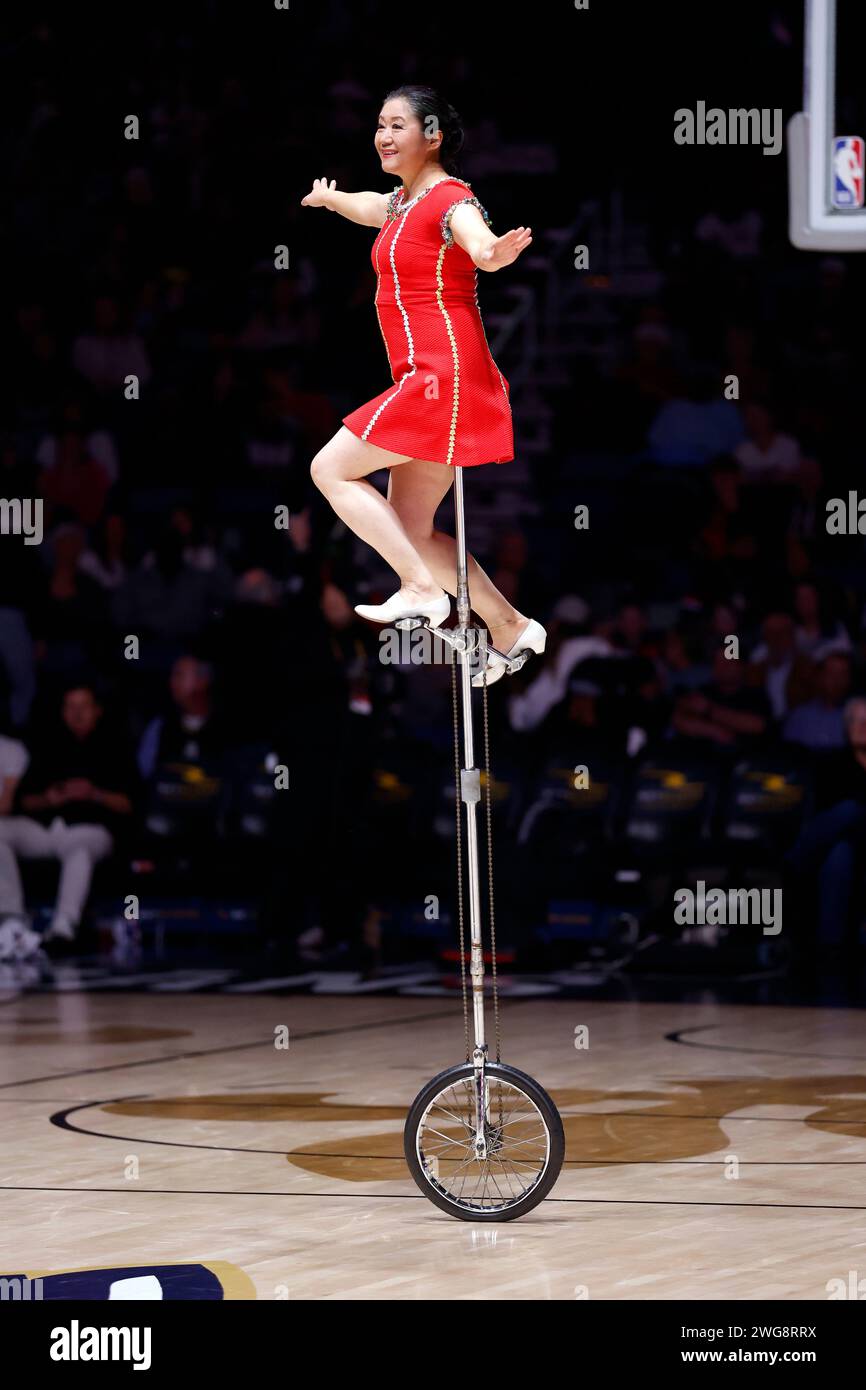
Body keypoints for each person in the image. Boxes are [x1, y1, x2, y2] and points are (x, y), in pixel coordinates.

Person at [301, 84, 545, 686]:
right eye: (379, 125)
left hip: (444, 376)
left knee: (329, 470)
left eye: (397, 125)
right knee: (411, 529)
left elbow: (477, 240)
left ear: (431, 135)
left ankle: (418, 587)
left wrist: (491, 252)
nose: (382, 135)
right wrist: (333, 202)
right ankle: (510, 626)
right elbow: (368, 207)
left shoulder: (449, 198)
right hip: (431, 377)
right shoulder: (400, 203)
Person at [0, 685, 137, 949]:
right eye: (70, 706)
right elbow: (23, 800)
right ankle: (11, 920)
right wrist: (49, 799)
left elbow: (130, 804)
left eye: (82, 706)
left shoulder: (116, 747)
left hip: (91, 828)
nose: (76, 713)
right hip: (46, 827)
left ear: (97, 710)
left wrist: (94, 794)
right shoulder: (48, 745)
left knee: (80, 847)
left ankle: (64, 926)